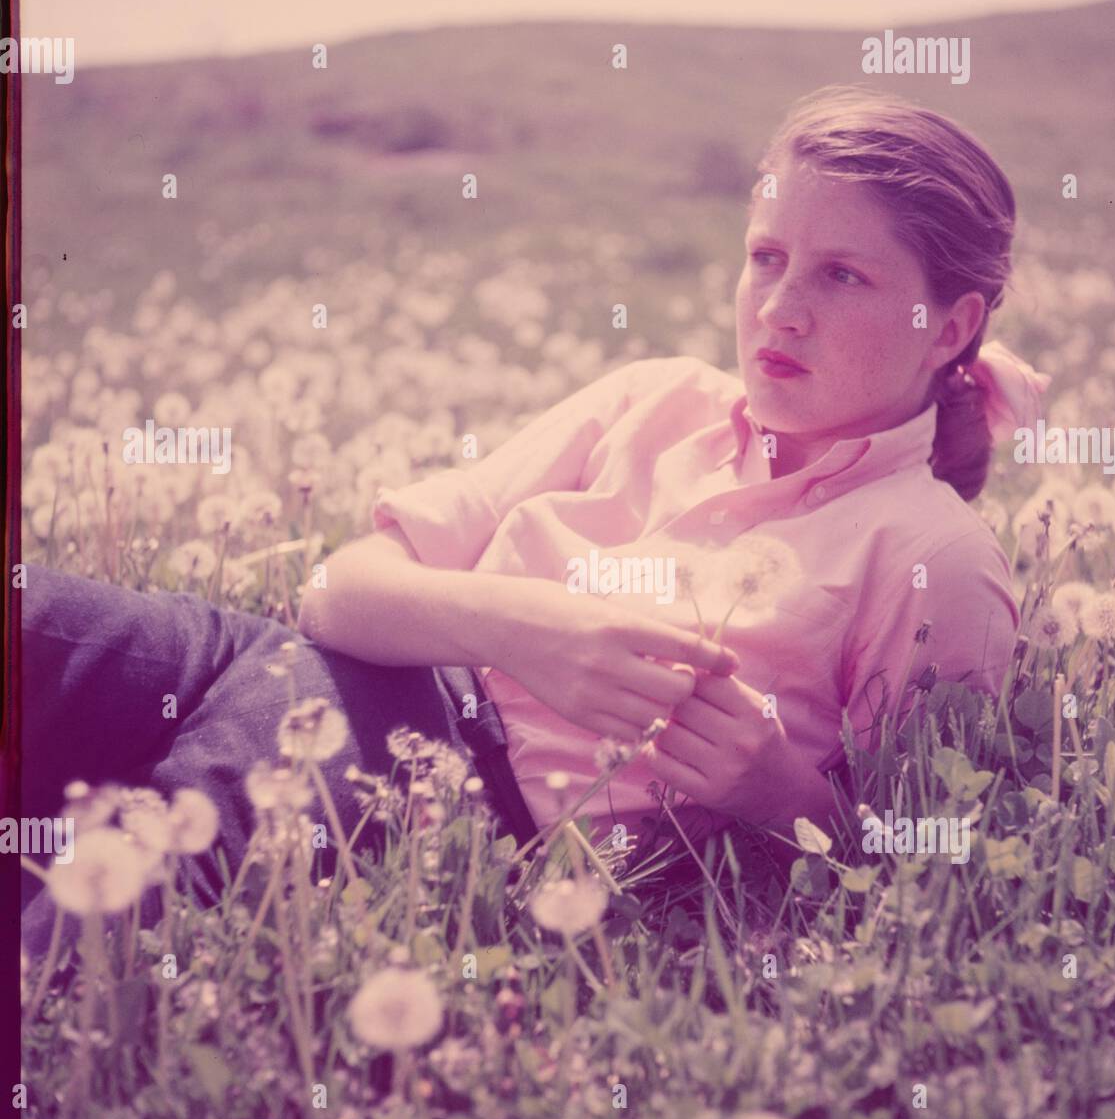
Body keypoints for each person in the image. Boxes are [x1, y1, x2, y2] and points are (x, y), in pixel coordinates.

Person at [20, 83, 1038, 955]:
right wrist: (530, 630)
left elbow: (925, 866)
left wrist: (779, 795)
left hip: (419, 777)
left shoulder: (935, 559)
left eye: (842, 275)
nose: (778, 308)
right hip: (271, 660)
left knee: (74, 944)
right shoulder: (654, 398)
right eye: (766, 256)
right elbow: (336, 593)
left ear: (949, 326)